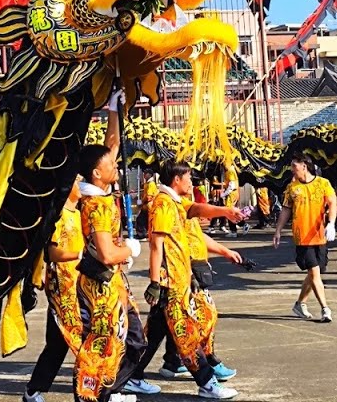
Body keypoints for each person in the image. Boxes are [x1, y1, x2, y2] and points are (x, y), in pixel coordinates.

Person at [129, 160, 244, 398]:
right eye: (189, 178)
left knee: (152, 336)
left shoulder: (175, 202)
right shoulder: (162, 204)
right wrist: (154, 282)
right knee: (187, 335)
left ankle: (132, 375)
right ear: (177, 180)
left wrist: (225, 211)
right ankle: (206, 383)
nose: (191, 182)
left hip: (179, 280)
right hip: (170, 283)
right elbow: (156, 246)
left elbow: (198, 209)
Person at [74, 91, 144, 402]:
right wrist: (131, 249)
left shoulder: (98, 191)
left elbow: (111, 148)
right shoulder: (96, 205)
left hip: (112, 282)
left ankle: (107, 390)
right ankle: (93, 396)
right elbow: (105, 253)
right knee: (104, 341)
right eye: (110, 166)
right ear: (96, 174)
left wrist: (115, 107)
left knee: (131, 339)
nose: (116, 167)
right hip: (100, 284)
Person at [23, 177, 85, 402]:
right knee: (79, 338)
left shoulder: (78, 213)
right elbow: (53, 253)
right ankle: (87, 392)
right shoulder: (58, 215)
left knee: (58, 342)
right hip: (62, 284)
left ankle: (34, 389)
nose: (83, 184)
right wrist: (80, 255)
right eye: (79, 180)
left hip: (78, 284)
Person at [273, 155, 337, 323]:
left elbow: (332, 203)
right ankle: (325, 308)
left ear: (304, 166)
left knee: (314, 273)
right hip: (302, 236)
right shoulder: (292, 188)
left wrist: (331, 223)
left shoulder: (323, 183)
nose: (292, 169)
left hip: (319, 235)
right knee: (315, 272)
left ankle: (300, 303)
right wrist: (278, 230)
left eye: (295, 166)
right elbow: (286, 210)